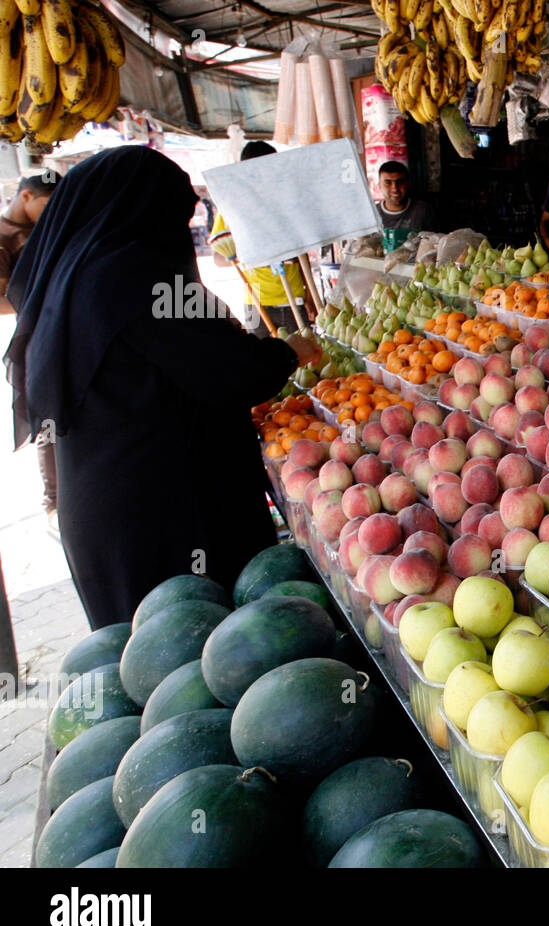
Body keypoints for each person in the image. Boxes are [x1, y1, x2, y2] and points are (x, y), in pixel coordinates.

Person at [3, 146, 322, 630]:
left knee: (148, 660)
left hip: (107, 504)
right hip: (160, 512)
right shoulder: (131, 276)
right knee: (195, 651)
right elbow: (227, 371)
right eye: (174, 214)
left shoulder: (72, 272)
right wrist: (288, 352)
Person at [0, 171, 61, 529]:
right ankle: (53, 500)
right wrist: (42, 299)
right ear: (25, 196)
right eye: (44, 204)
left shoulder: (44, 230)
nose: (49, 211)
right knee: (46, 421)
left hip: (56, 331)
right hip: (34, 338)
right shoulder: (4, 237)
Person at [209, 140, 309, 337]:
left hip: (294, 300)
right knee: (267, 363)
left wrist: (310, 299)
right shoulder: (232, 208)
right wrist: (251, 253)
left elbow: (300, 254)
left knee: (306, 361)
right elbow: (218, 258)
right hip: (256, 303)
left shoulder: (287, 204)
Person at [376, 160, 435, 232]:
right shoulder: (373, 213)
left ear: (408, 184)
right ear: (379, 186)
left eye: (400, 182)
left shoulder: (423, 210)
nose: (395, 188)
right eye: (388, 183)